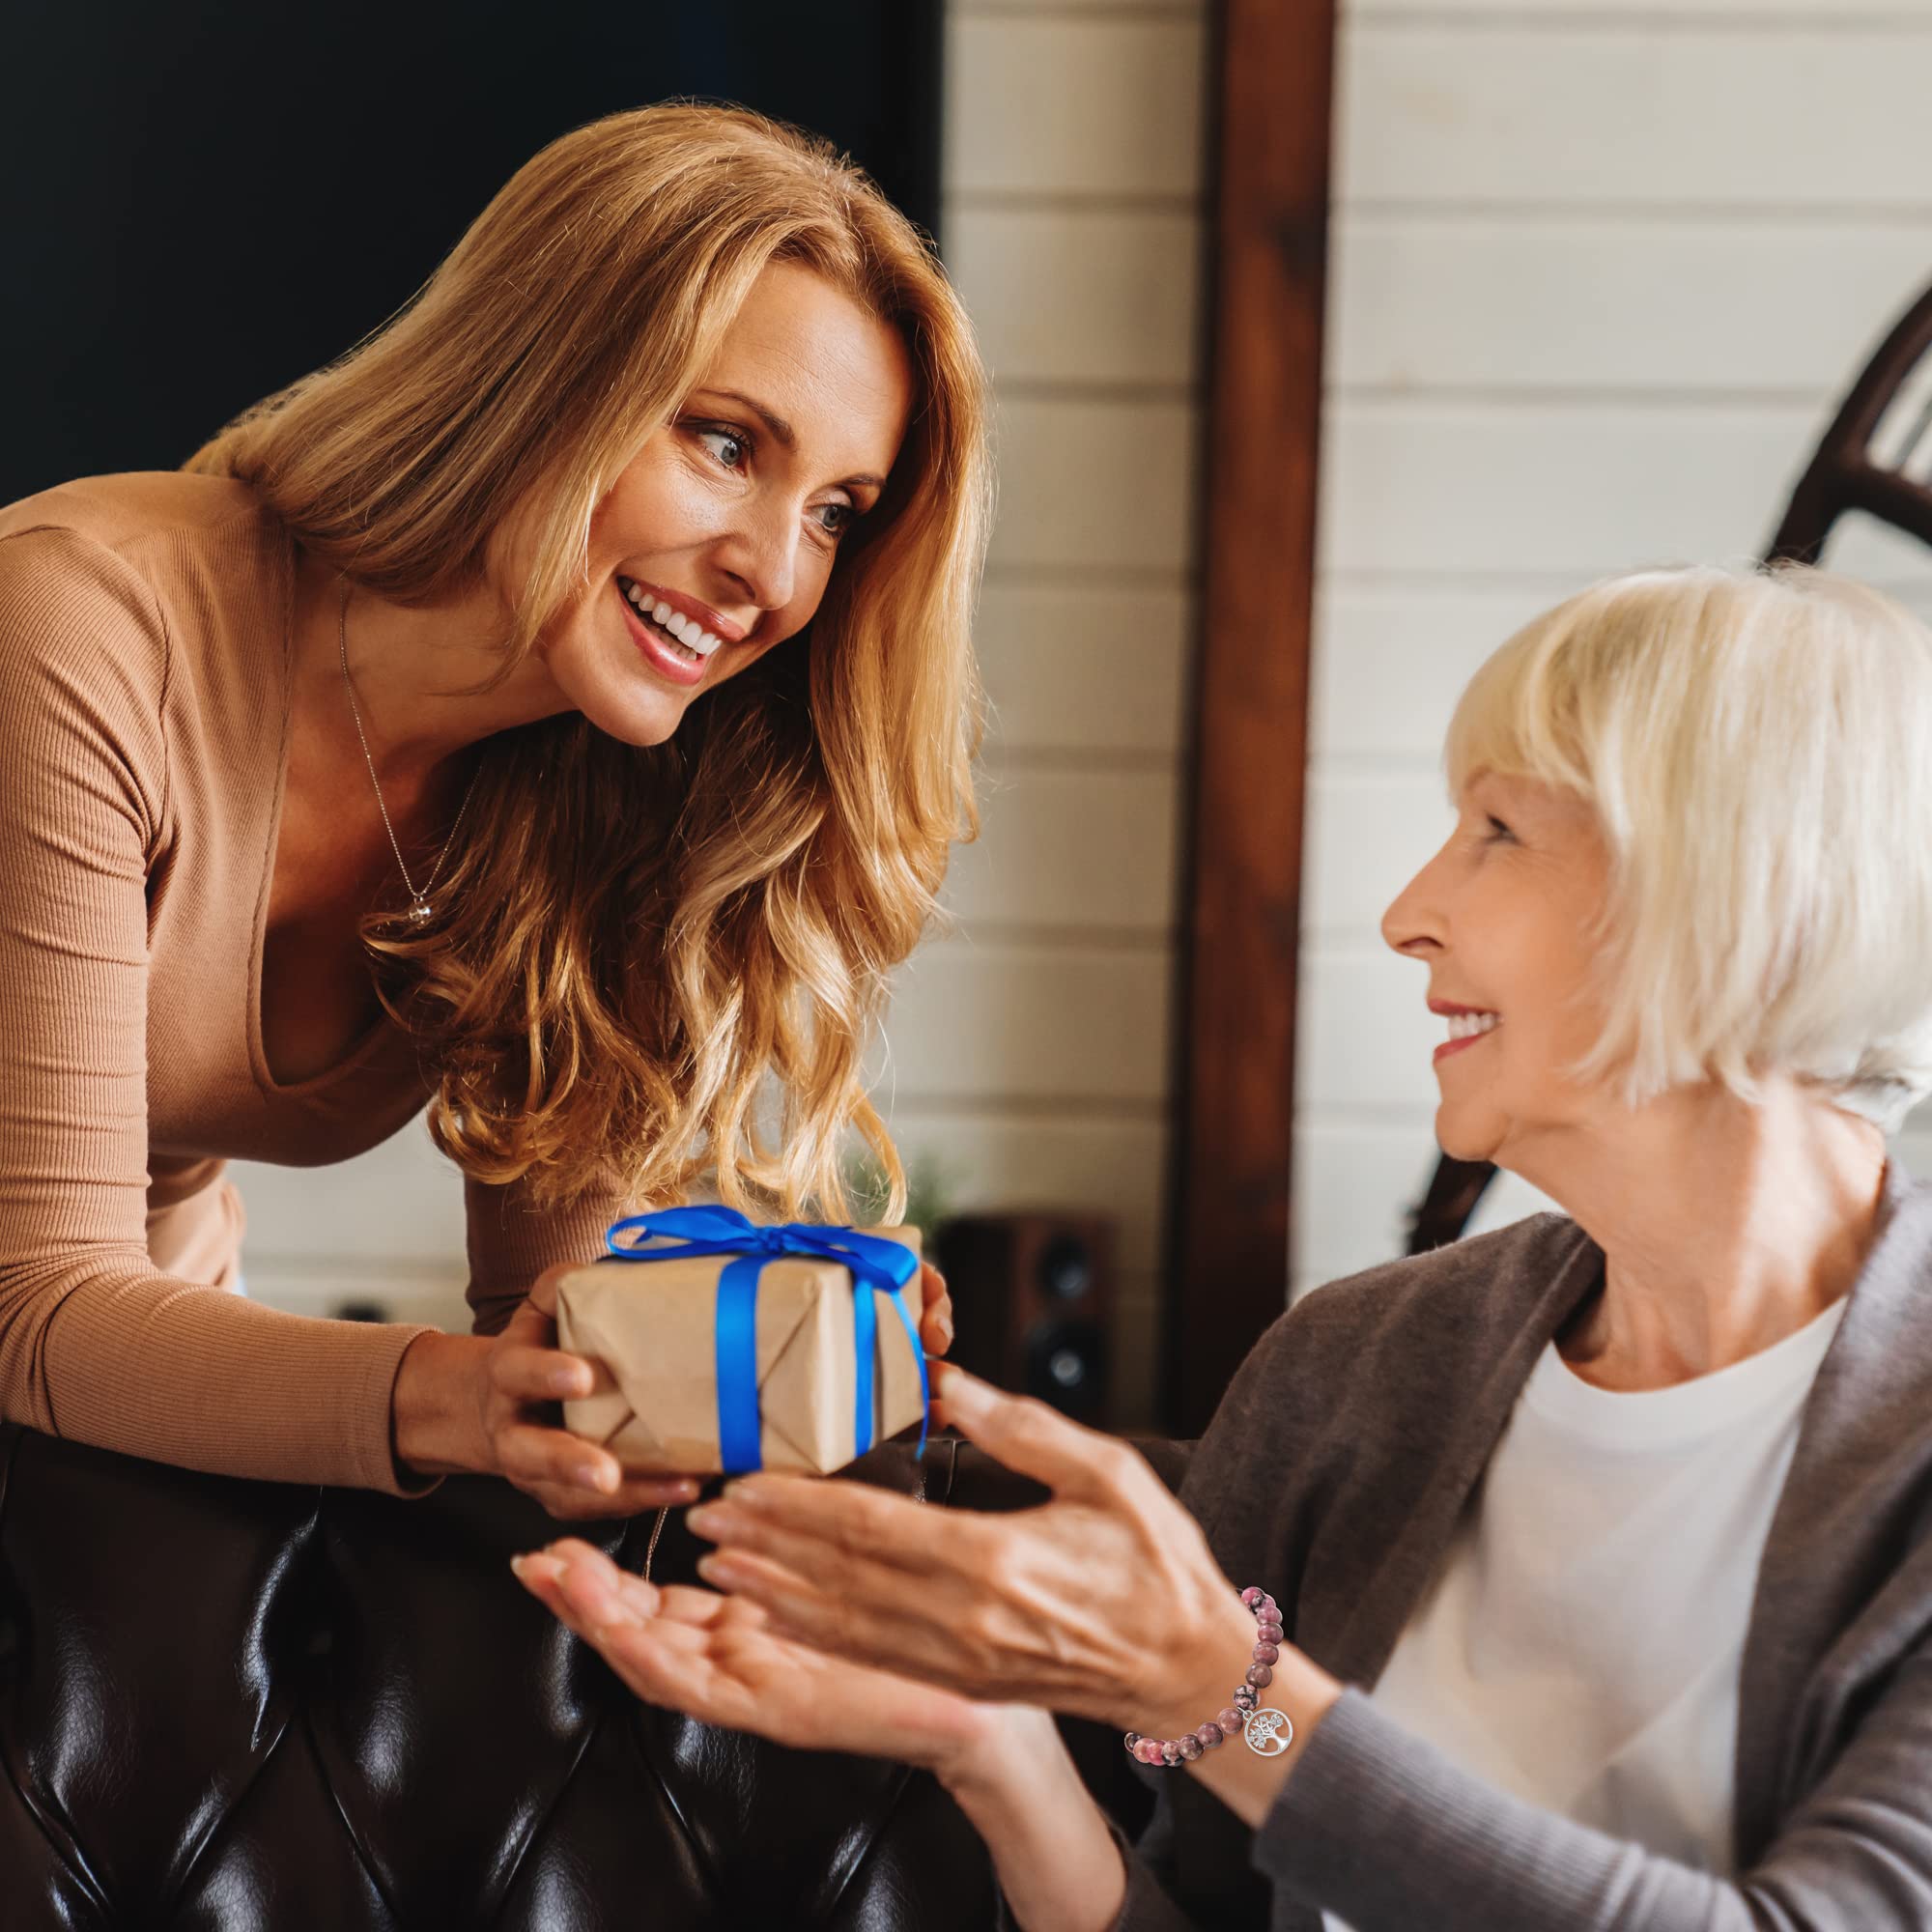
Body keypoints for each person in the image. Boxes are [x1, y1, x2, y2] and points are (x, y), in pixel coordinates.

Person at [520, 562, 1932, 1927]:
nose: (1409, 914)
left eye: (1498, 830)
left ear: (1739, 887)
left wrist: (1220, 1693)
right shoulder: (1355, 1372)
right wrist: (990, 1750)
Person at [0, 104, 980, 1514]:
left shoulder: (606, 782)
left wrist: (761, 1348)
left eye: (837, 511)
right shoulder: (78, 629)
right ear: (539, 378)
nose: (773, 572)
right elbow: (32, 1295)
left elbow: (554, 1313)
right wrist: (451, 1403)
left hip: (116, 1415)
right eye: (722, 443)